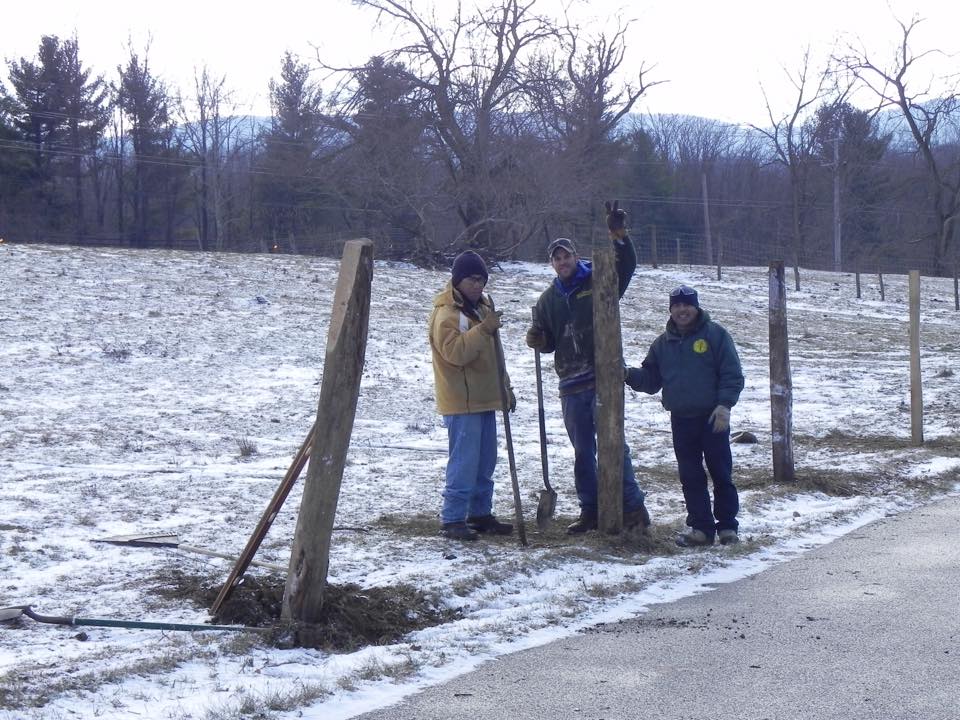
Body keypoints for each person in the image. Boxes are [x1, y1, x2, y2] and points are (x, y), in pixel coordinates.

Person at [525, 202, 651, 534]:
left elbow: (627, 267)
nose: (562, 261)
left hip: (603, 379)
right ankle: (590, 510)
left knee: (614, 444)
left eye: (566, 255)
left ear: (575, 256)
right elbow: (549, 341)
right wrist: (538, 339)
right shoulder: (546, 301)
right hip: (570, 385)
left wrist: (618, 236)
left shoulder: (599, 281)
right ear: (551, 264)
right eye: (556, 258)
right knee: (582, 452)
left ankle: (633, 508)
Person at [625, 285, 745, 547]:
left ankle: (727, 527)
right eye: (677, 306)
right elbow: (651, 380)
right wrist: (627, 375)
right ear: (670, 310)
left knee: (721, 472)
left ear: (696, 307)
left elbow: (732, 373)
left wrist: (724, 405)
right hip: (681, 419)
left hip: (713, 418)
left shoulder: (716, 335)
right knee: (690, 476)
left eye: (687, 305)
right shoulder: (662, 344)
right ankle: (701, 529)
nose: (682, 310)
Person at [429, 250, 517, 541]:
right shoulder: (447, 314)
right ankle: (453, 517)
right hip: (461, 401)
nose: (478, 285)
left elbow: (495, 355)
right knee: (464, 462)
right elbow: (456, 353)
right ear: (458, 280)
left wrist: (505, 388)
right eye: (472, 280)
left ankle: (480, 513)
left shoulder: (482, 307)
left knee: (485, 461)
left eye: (482, 280)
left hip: (485, 396)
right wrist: (484, 329)